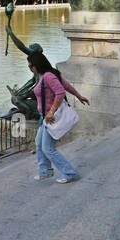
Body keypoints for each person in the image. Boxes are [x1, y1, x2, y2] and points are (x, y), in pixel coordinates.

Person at [29, 46, 86, 184]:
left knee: (48, 149)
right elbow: (66, 85)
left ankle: (69, 173)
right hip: (45, 118)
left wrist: (51, 112)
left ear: (37, 65)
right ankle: (45, 171)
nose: (30, 68)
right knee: (39, 143)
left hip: (51, 118)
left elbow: (61, 92)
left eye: (31, 66)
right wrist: (79, 96)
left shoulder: (48, 76)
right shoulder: (48, 74)